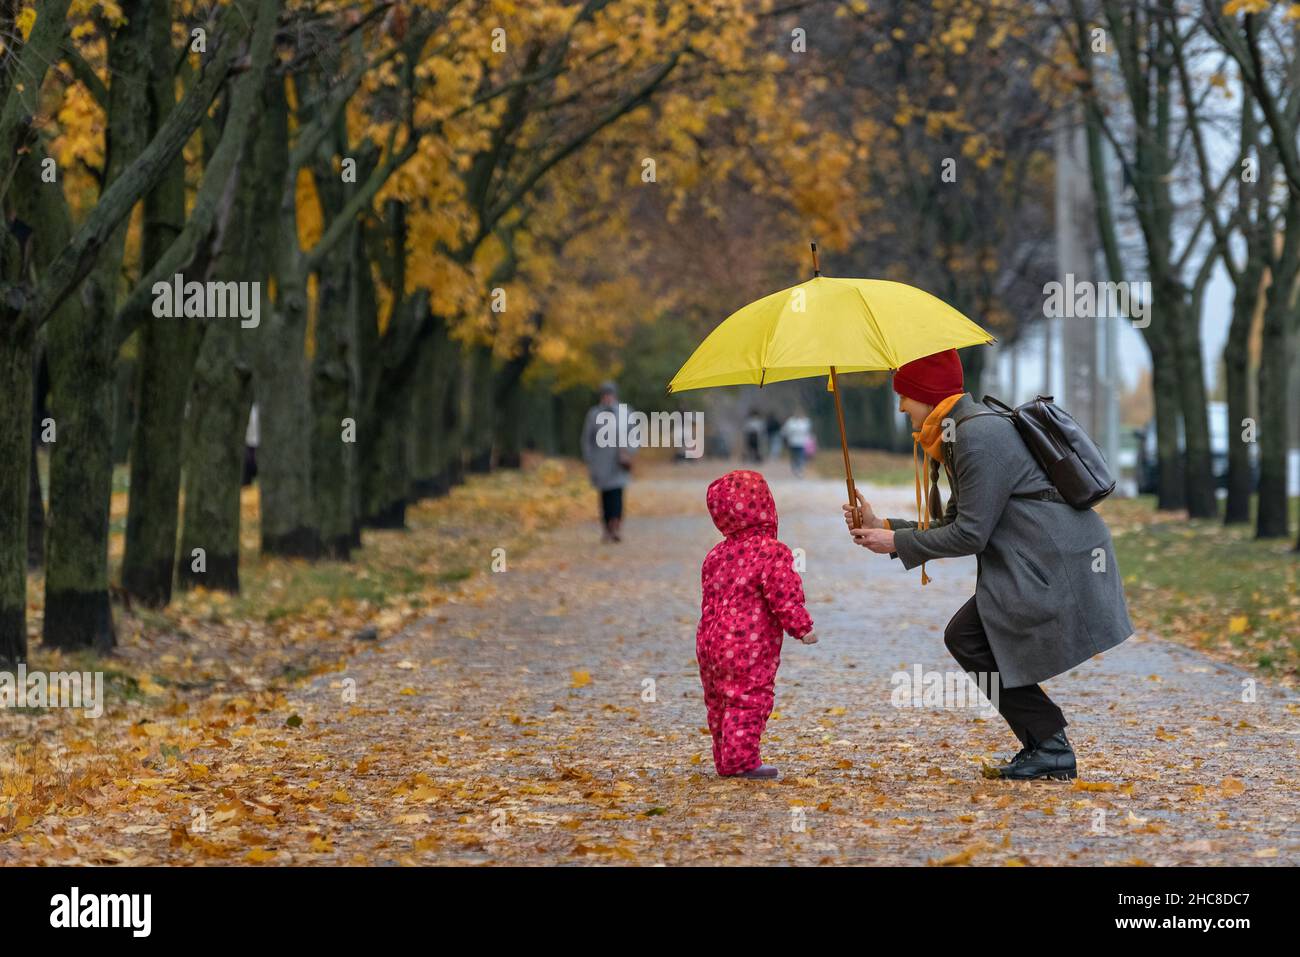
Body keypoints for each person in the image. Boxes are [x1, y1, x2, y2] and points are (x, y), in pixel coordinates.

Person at [843, 348, 1133, 781]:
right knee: (969, 636)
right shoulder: (959, 432)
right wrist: (883, 525)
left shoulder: (976, 436)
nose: (901, 405)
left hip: (1055, 559)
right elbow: (959, 520)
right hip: (1037, 554)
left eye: (905, 395)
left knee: (969, 636)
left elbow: (970, 534)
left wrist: (896, 541)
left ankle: (1049, 744)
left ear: (927, 394)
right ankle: (1048, 745)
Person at [697, 470, 817, 780]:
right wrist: (802, 627)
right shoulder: (772, 551)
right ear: (766, 506)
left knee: (719, 700)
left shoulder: (715, 556)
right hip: (749, 644)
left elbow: (710, 598)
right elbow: (784, 596)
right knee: (750, 698)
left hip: (710, 642)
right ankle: (742, 761)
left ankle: (726, 758)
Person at [581, 382, 636, 542]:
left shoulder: (626, 412)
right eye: (604, 394)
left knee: (617, 494)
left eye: (610, 394)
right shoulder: (593, 414)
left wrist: (629, 452)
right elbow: (587, 438)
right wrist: (589, 458)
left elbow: (635, 435)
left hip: (619, 460)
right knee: (605, 496)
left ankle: (616, 526)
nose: (607, 397)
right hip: (601, 461)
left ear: (615, 395)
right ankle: (606, 528)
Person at [781, 410, 812, 477]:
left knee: (801, 456)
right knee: (794, 456)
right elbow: (785, 430)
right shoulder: (790, 421)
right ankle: (794, 467)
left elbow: (807, 431)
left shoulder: (805, 421)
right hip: (792, 442)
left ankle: (800, 469)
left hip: (802, 442)